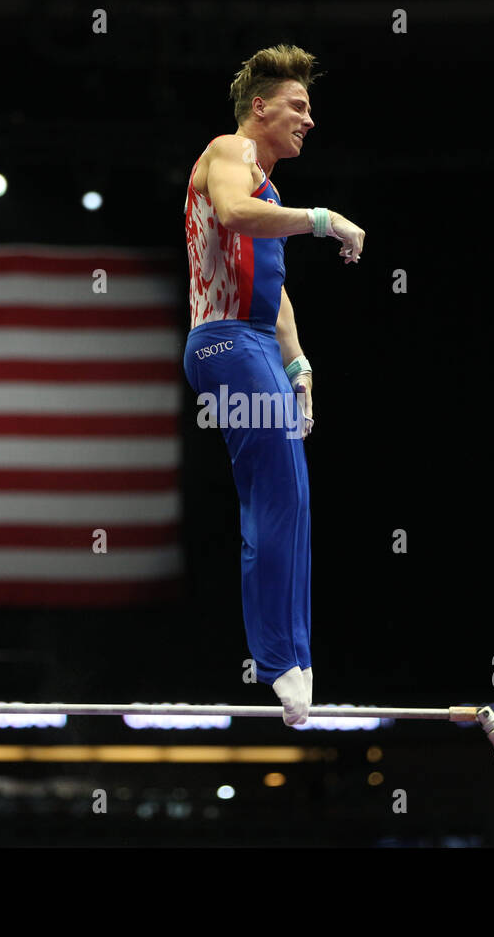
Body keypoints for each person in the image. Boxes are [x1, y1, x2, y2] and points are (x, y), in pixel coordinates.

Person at [182, 44, 366, 725]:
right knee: (278, 493)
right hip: (224, 340)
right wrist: (323, 220)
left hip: (255, 341)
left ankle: (293, 655)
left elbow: (276, 292)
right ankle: (281, 660)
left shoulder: (273, 190)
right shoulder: (230, 152)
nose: (309, 119)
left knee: (292, 494)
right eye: (298, 106)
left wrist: (301, 370)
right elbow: (231, 214)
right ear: (259, 108)